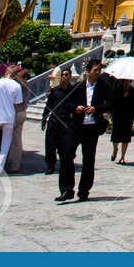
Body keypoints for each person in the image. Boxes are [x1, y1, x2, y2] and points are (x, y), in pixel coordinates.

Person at [52, 59, 112, 203]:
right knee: (66, 154)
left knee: (88, 160)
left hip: (91, 128)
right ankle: (67, 189)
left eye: (99, 70)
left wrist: (96, 109)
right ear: (88, 71)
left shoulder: (104, 87)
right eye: (95, 70)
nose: (98, 73)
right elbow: (67, 104)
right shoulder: (78, 87)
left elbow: (110, 103)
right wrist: (76, 108)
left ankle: (84, 190)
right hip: (77, 126)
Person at [42, 68, 73, 175]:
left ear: (70, 76)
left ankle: (64, 164)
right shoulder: (55, 91)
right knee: (50, 144)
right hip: (54, 121)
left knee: (64, 145)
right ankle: (50, 165)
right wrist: (44, 118)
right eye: (63, 74)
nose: (64, 76)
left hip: (66, 122)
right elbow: (48, 106)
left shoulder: (73, 91)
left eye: (66, 74)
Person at [111, 79, 134, 164]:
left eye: (128, 81)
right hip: (118, 115)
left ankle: (122, 157)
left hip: (128, 116)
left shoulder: (133, 90)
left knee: (126, 137)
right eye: (124, 81)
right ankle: (115, 149)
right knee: (116, 136)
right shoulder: (116, 89)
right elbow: (113, 102)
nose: (126, 82)